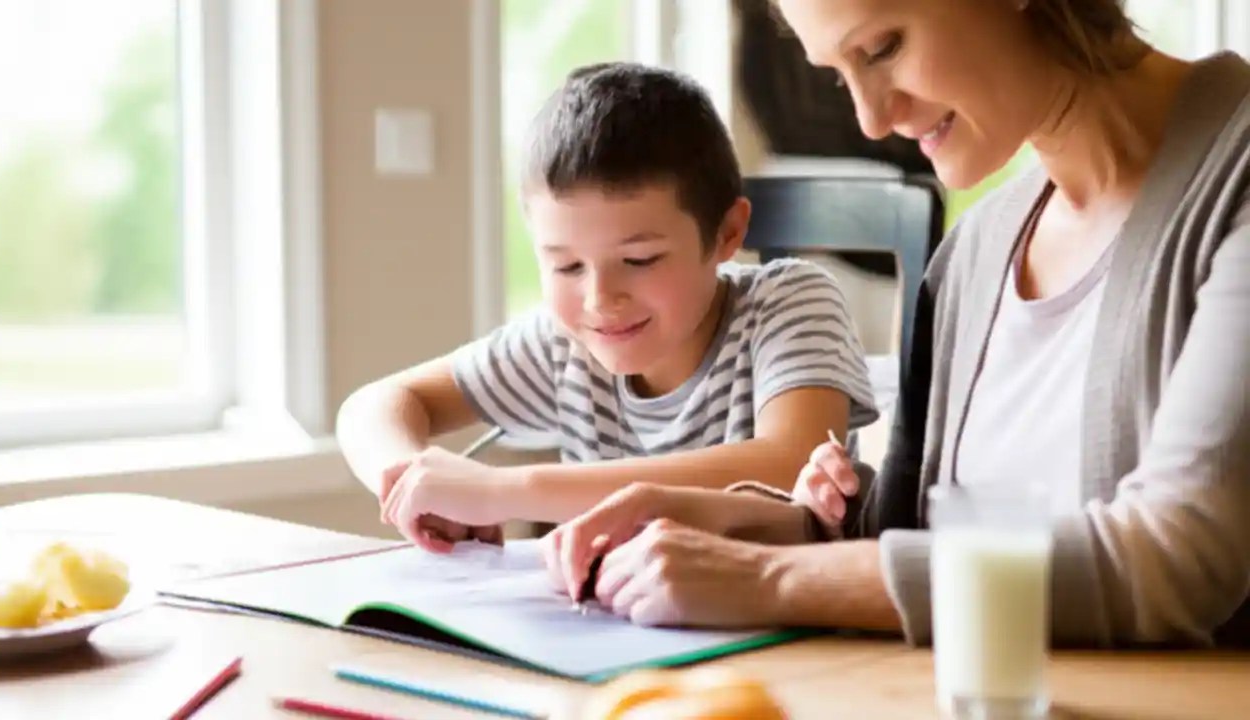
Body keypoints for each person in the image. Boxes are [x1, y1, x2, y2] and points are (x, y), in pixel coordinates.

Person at [544, 0, 1250, 647]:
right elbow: (901, 535)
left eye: (881, 49)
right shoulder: (978, 251)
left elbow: (1172, 557)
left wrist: (763, 579)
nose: (872, 120)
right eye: (838, 75)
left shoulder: (1232, 185)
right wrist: (728, 519)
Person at [336, 62, 877, 554]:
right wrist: (415, 481)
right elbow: (374, 405)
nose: (600, 300)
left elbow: (789, 461)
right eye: (567, 267)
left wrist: (505, 491)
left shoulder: (788, 303)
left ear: (727, 232)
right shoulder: (562, 345)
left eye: (639, 260)